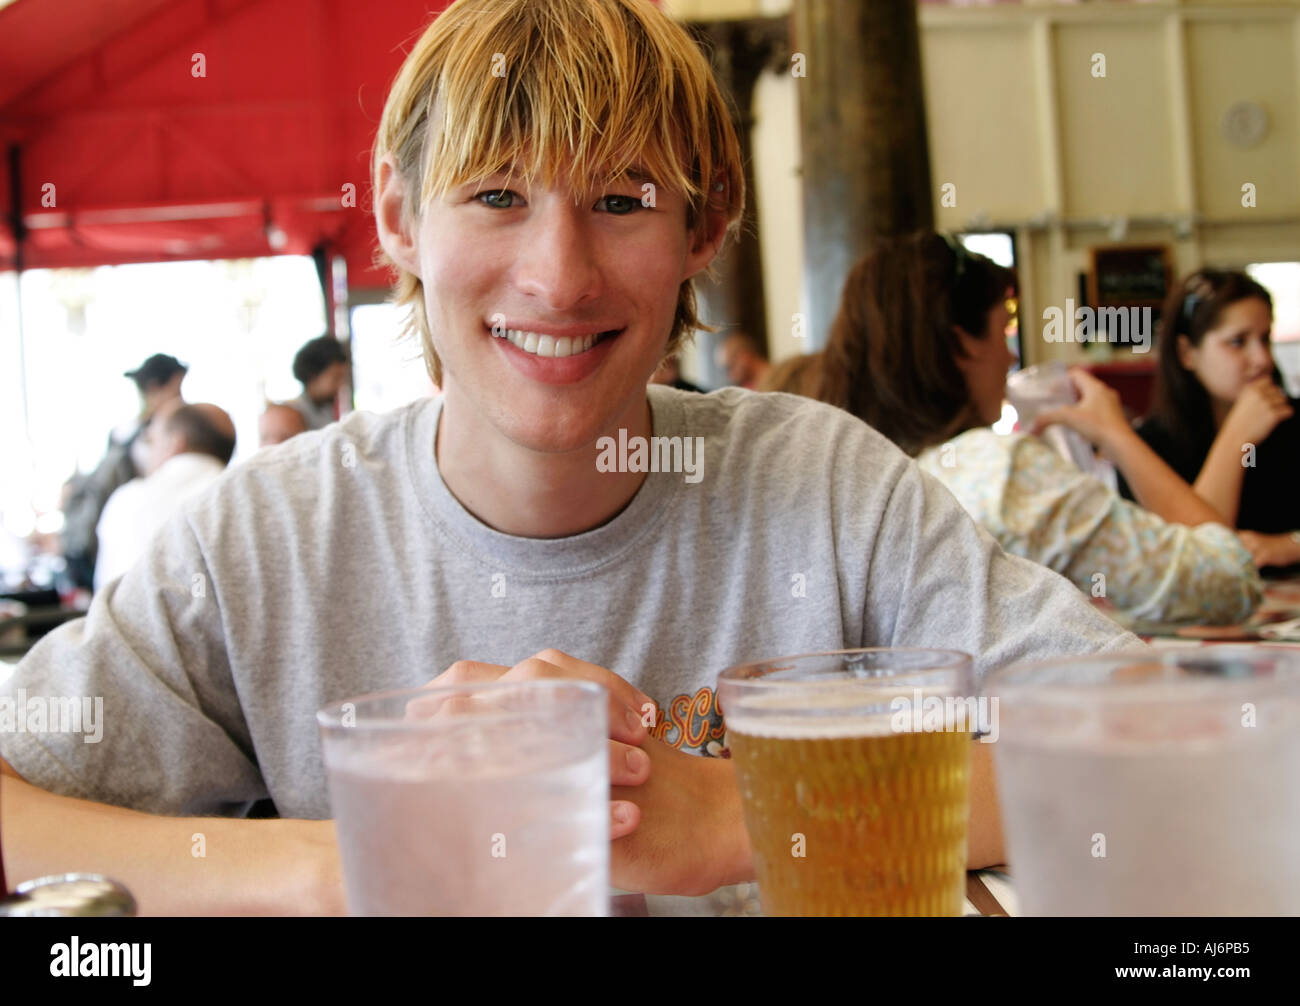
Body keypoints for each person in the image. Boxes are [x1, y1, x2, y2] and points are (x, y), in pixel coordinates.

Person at [0, 0, 1141, 916]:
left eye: (620, 200)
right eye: (496, 194)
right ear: (399, 214)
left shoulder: (822, 486)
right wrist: (357, 864)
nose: (559, 275)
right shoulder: (264, 540)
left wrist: (733, 815)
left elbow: (1147, 731)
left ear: (702, 229)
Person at [806, 232, 1260, 625]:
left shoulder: (844, 482)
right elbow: (1228, 581)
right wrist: (1118, 437)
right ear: (961, 343)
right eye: (1004, 332)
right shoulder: (999, 471)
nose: (1010, 358)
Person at [1122, 269, 1300, 569]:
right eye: (1237, 342)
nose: (1263, 359)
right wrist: (1235, 438)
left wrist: (1291, 545)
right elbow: (1193, 557)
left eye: (1265, 338)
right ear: (1187, 352)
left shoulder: (1293, 420)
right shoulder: (1149, 445)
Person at [60, 353, 187, 590]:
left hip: (112, 544)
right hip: (147, 541)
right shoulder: (169, 431)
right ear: (168, 383)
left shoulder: (121, 433)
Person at [94, 401, 237, 591]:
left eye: (151, 441)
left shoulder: (126, 500)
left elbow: (104, 589)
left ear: (177, 443)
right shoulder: (239, 497)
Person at [290, 335, 350, 430]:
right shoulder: (292, 416)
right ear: (313, 376)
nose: (340, 385)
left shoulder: (325, 411)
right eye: (336, 377)